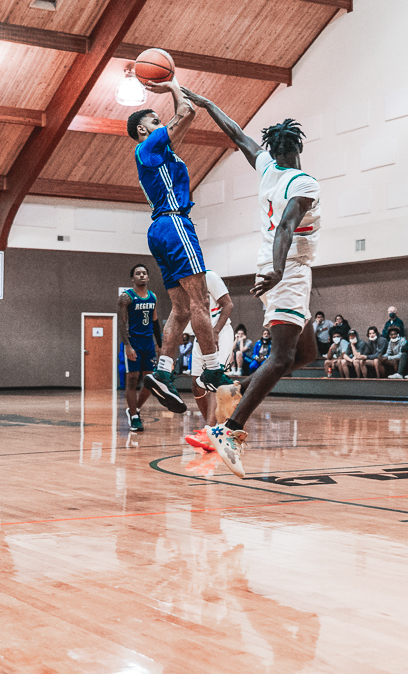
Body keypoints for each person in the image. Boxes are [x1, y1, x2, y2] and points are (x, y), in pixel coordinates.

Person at [183, 87, 321, 478]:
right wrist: (278, 269)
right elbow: (287, 228)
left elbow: (237, 134)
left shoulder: (266, 169)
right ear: (297, 148)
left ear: (273, 150)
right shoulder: (304, 182)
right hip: (287, 269)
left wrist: (210, 104)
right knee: (280, 358)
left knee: (304, 354)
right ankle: (231, 430)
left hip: (284, 271)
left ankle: (230, 391)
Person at [127, 80, 232, 414]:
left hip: (159, 229)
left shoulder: (160, 153)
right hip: (174, 224)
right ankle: (213, 367)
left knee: (182, 308)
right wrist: (173, 84)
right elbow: (186, 112)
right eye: (156, 121)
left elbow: (183, 123)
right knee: (200, 300)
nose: (163, 124)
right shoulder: (147, 147)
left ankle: (162, 373)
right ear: (143, 129)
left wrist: (179, 107)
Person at [185, 270, 235, 440]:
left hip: (219, 333)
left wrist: (216, 331)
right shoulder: (181, 283)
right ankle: (215, 426)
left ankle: (210, 429)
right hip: (200, 336)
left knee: (213, 380)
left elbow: (228, 304)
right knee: (196, 384)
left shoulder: (210, 277)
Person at [117, 263, 163, 432]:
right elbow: (122, 323)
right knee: (132, 379)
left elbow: (155, 321)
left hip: (148, 343)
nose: (142, 275)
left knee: (151, 381)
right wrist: (127, 346)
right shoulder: (126, 297)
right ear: (132, 278)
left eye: (144, 273)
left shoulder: (153, 296)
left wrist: (159, 343)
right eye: (138, 273)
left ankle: (133, 409)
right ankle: (135, 417)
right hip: (133, 342)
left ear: (148, 277)